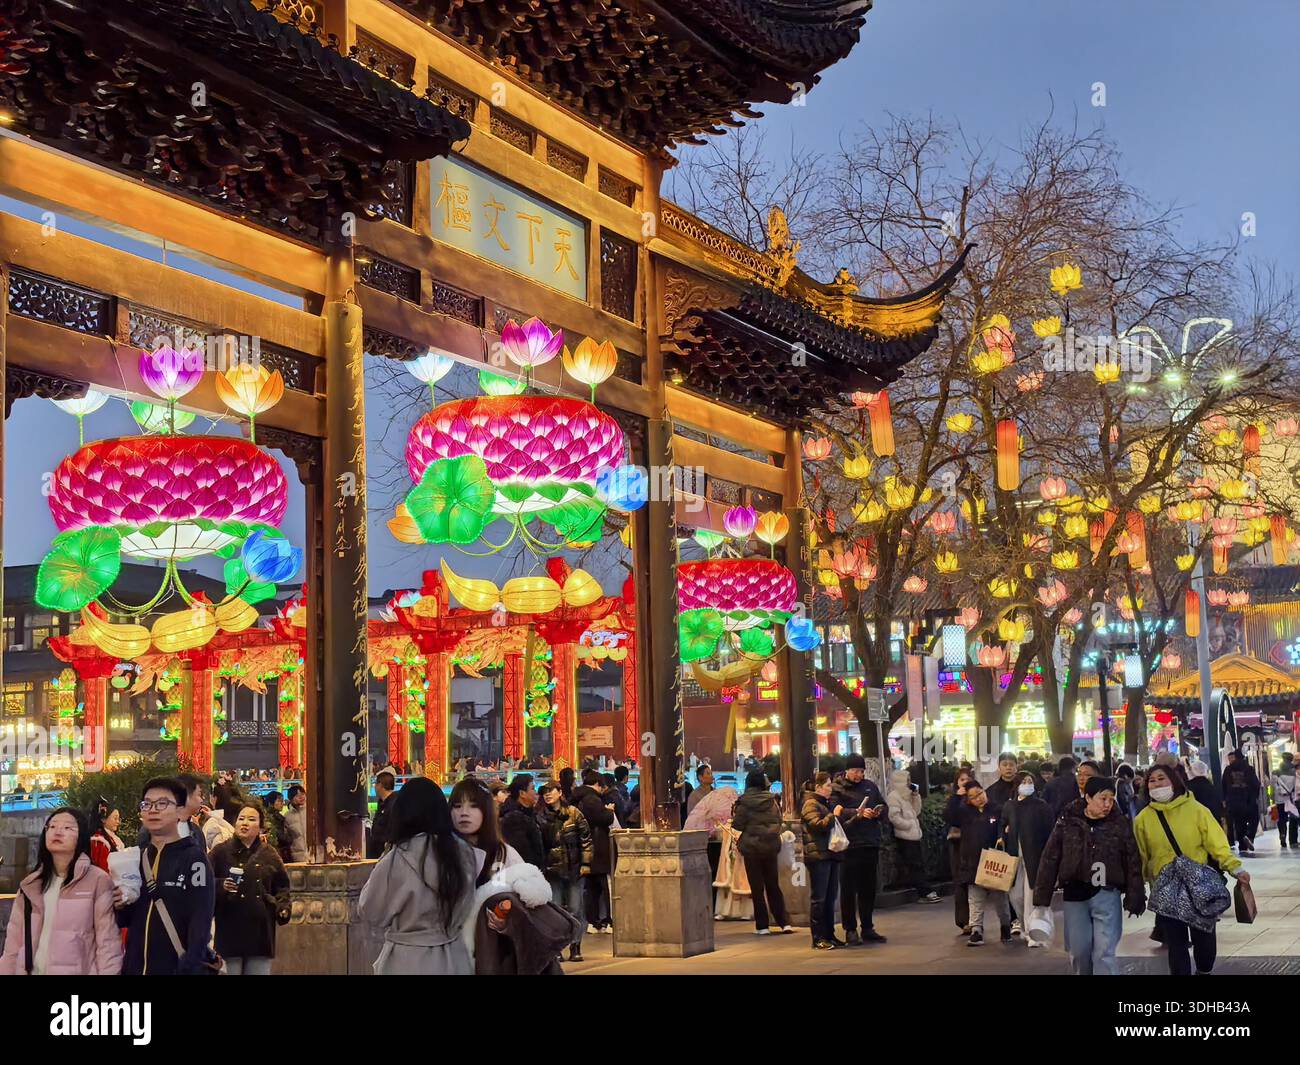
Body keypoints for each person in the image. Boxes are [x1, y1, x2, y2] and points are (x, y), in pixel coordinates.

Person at [358, 777, 476, 975]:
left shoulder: (396, 859)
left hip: (407, 959)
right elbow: (468, 903)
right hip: (454, 956)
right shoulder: (463, 853)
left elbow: (370, 911)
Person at [1137, 764, 1247, 974]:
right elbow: (1142, 855)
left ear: (1174, 781)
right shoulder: (1143, 819)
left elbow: (1217, 843)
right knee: (1176, 944)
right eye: (1152, 780)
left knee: (1204, 939)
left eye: (1162, 779)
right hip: (1166, 888)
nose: (1157, 784)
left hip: (1198, 885)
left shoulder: (1197, 810)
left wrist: (1236, 868)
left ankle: (1203, 970)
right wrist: (1139, 886)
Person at [1034, 777, 1145, 974]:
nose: (1108, 804)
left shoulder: (1119, 823)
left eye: (1111, 799)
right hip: (1075, 893)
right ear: (1087, 797)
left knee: (1104, 952)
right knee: (1079, 951)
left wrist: (1135, 895)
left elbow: (1132, 859)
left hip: (1107, 892)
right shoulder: (1067, 821)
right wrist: (1041, 898)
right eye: (1103, 799)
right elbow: (1050, 857)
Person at [0, 807, 122, 975]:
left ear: (81, 836)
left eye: (67, 827)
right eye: (52, 826)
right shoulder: (31, 885)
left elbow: (108, 946)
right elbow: (12, 947)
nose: (57, 832)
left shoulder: (98, 881)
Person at [115, 777, 217, 975]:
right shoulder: (138, 858)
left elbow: (201, 921)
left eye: (162, 803)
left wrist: (189, 967)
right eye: (147, 804)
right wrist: (120, 905)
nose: (153, 810)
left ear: (180, 811)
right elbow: (128, 919)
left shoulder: (194, 859)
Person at [210, 802, 291, 974]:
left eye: (251, 819)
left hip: (260, 932)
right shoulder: (220, 852)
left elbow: (282, 886)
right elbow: (204, 883)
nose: (245, 823)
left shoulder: (269, 854)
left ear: (261, 827)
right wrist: (221, 885)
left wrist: (282, 907)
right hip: (229, 931)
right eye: (241, 818)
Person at [831, 754, 887, 944]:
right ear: (847, 771)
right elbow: (835, 812)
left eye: (861, 771)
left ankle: (868, 926)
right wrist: (858, 813)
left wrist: (878, 812)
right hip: (849, 844)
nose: (859, 775)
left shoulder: (870, 786)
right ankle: (850, 929)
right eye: (855, 771)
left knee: (868, 888)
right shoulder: (838, 788)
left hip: (869, 842)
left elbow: (883, 806)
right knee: (848, 889)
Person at [730, 770, 793, 935]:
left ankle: (763, 926)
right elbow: (779, 821)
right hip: (770, 847)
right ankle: (784, 922)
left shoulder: (744, 803)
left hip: (752, 849)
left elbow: (737, 825)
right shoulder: (772, 802)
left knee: (757, 888)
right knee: (773, 885)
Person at [538, 781, 592, 961]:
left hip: (574, 868)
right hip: (552, 870)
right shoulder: (540, 816)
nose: (547, 795)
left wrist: (586, 864)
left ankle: (575, 947)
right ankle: (558, 948)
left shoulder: (574, 813)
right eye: (544, 792)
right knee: (556, 910)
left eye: (550, 791)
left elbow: (586, 839)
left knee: (576, 909)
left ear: (560, 792)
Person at [999, 770, 1054, 947]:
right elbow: (1002, 824)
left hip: (1035, 856)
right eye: (1024, 781)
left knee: (1031, 895)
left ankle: (1033, 933)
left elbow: (1050, 830)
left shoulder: (1041, 806)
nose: (1028, 784)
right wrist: (1003, 834)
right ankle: (1024, 926)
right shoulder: (1010, 806)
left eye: (1030, 781)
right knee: (1015, 896)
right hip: (1014, 857)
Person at [954, 780, 1009, 946]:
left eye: (979, 793)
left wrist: (1003, 836)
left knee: (1000, 898)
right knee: (975, 898)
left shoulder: (997, 809)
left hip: (994, 860)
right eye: (972, 796)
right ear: (968, 799)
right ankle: (977, 930)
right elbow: (950, 816)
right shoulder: (965, 812)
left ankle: (1005, 926)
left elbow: (1004, 826)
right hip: (973, 862)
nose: (978, 798)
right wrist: (955, 797)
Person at [801, 773, 845, 948]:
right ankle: (818, 937)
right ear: (817, 787)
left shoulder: (824, 803)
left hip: (830, 854)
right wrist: (833, 816)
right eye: (827, 785)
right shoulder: (810, 804)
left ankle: (829, 934)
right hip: (818, 855)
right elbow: (817, 825)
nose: (830, 788)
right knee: (819, 898)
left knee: (830, 897)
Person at [570, 769, 616, 934]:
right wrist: (609, 811)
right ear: (598, 784)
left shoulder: (577, 798)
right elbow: (604, 819)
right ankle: (608, 920)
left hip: (584, 848)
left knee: (591, 887)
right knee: (604, 885)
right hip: (598, 848)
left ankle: (593, 921)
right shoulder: (592, 799)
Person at [887, 769, 939, 903]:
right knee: (914, 864)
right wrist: (907, 825)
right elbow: (894, 817)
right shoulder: (894, 796)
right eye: (907, 780)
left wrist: (916, 796)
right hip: (904, 836)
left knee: (919, 863)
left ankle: (924, 890)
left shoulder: (908, 795)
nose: (910, 783)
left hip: (914, 834)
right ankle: (924, 891)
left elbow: (916, 811)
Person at [945, 767, 977, 933]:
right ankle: (963, 921)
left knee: (976, 883)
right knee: (961, 881)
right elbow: (951, 818)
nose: (965, 783)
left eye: (968, 779)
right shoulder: (954, 800)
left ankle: (976, 920)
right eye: (962, 780)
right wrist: (957, 798)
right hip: (959, 844)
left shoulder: (979, 798)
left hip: (976, 843)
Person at [499, 773, 545, 868]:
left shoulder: (528, 813)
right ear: (522, 794)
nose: (535, 792)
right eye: (532, 788)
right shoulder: (514, 819)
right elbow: (523, 854)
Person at [1222, 749, 1261, 852]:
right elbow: (1256, 784)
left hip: (1233, 802)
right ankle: (1249, 836)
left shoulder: (1228, 770)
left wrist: (1226, 799)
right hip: (1248, 800)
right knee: (1254, 819)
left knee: (1239, 822)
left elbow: (1223, 786)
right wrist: (1254, 797)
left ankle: (1242, 846)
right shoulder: (1249, 768)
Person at [87, 799, 123, 873]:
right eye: (115, 818)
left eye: (118, 819)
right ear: (103, 819)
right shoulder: (98, 841)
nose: (118, 822)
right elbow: (101, 871)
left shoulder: (111, 838)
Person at [368, 770, 397, 859]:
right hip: (376, 852)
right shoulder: (381, 804)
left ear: (380, 785)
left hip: (385, 853)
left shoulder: (394, 804)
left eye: (376, 784)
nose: (374, 786)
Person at [1271, 752, 1298, 847]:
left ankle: (1282, 834)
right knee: (1293, 819)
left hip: (1280, 799)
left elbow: (1273, 785)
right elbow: (1296, 786)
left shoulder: (1276, 772)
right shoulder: (1294, 772)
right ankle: (1293, 840)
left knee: (1282, 818)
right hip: (1291, 799)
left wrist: (1272, 797)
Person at [983, 752, 1020, 821]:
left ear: (1016, 767)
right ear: (999, 767)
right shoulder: (991, 791)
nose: (1008, 767)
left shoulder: (1023, 787)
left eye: (1011, 765)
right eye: (1005, 765)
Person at [283, 784, 308, 863]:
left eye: (303, 794)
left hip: (314, 855)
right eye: (297, 795)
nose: (301, 797)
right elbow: (287, 837)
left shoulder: (312, 811)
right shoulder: (287, 816)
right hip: (297, 857)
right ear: (291, 799)